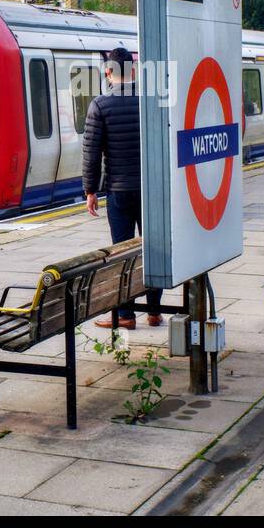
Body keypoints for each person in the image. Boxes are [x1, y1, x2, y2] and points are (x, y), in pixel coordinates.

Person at [83, 47, 161, 330]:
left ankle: (126, 315)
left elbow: (92, 152)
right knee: (153, 247)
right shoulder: (151, 101)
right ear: (133, 71)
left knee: (123, 252)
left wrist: (90, 190)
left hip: (119, 191)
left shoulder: (100, 105)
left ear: (108, 72)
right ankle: (154, 310)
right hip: (151, 189)